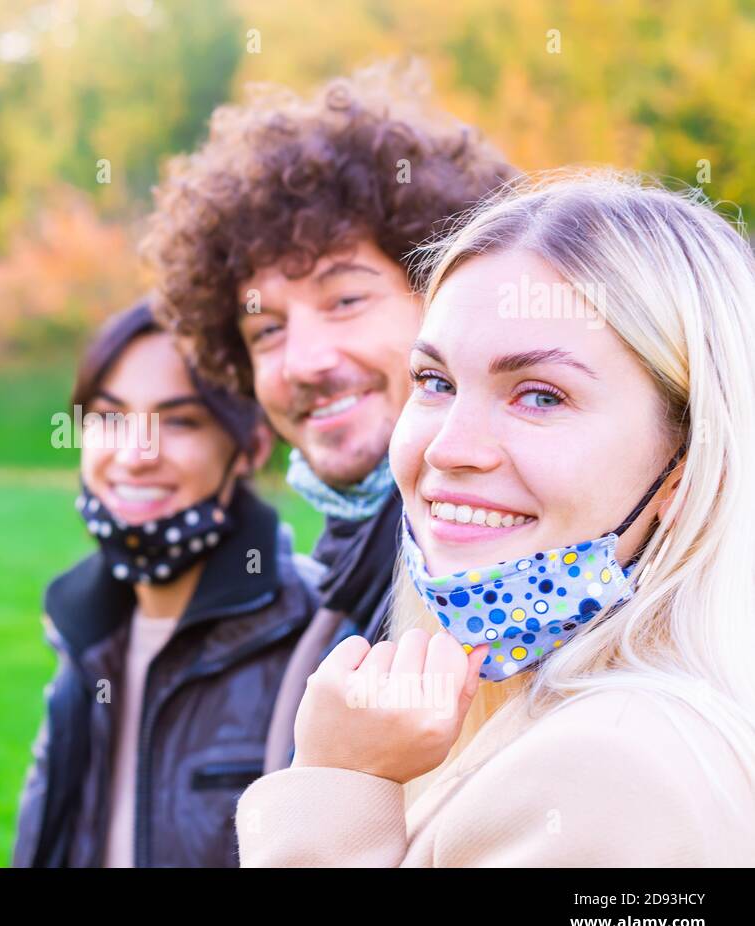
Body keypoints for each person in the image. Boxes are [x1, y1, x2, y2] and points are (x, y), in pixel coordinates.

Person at [236, 170, 755, 866]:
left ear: (686, 466)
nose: (448, 447)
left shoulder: (610, 769)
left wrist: (339, 779)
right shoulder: (545, 720)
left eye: (539, 396)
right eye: (435, 382)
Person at [142, 65, 515, 770]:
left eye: (346, 300)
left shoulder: (495, 571)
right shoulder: (338, 569)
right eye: (267, 331)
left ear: (446, 296)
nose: (305, 362)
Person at [11, 299, 323, 867]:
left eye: (179, 421)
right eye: (109, 417)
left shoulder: (318, 638)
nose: (134, 456)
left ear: (249, 449)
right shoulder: (81, 629)